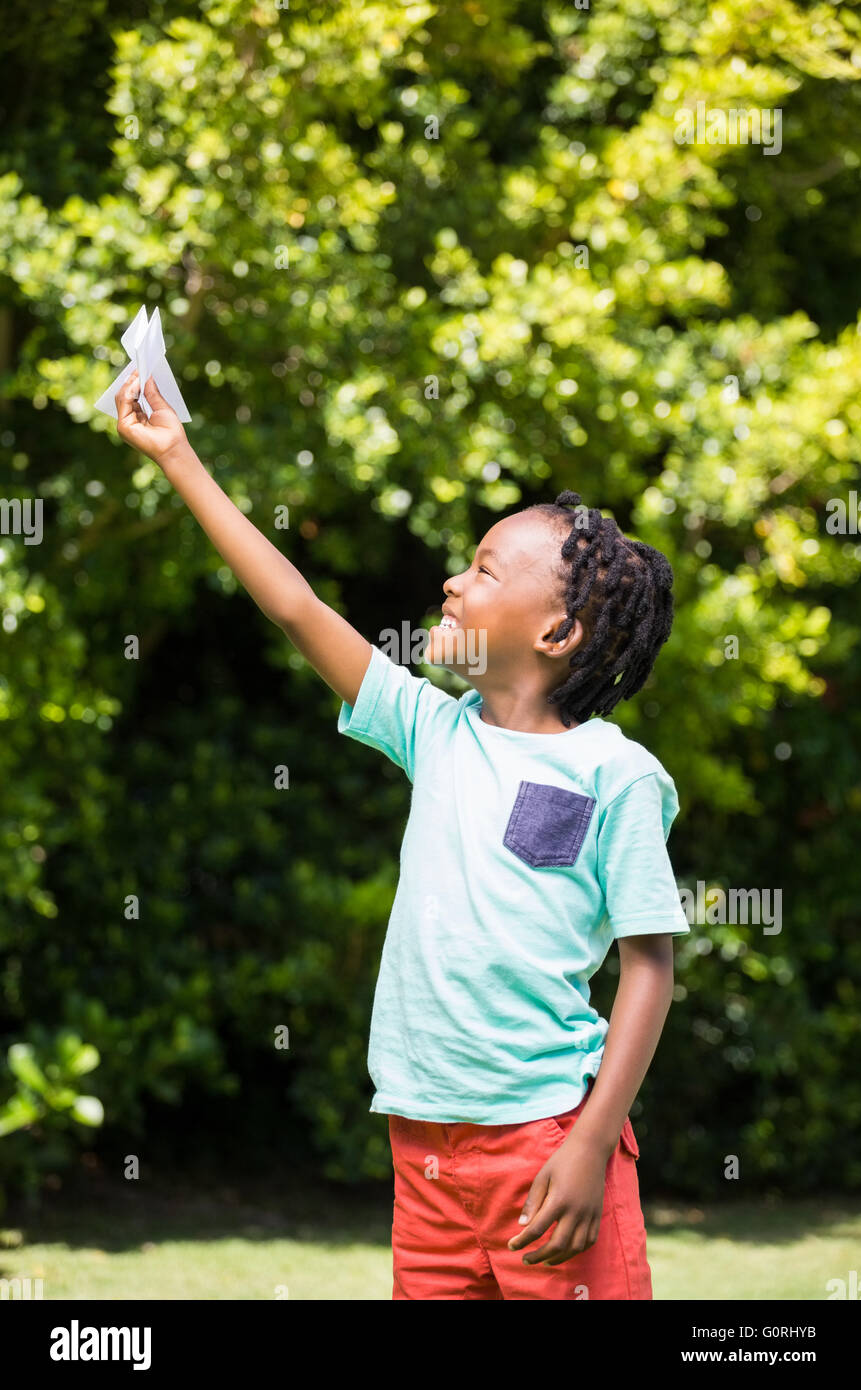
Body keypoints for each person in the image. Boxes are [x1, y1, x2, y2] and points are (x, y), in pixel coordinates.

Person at [115, 370, 690, 1301]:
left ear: (558, 630)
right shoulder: (435, 727)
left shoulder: (613, 775)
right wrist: (179, 454)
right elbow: (296, 607)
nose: (453, 582)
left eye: (486, 570)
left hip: (549, 1140)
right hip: (423, 1145)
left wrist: (591, 1143)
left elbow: (649, 968)